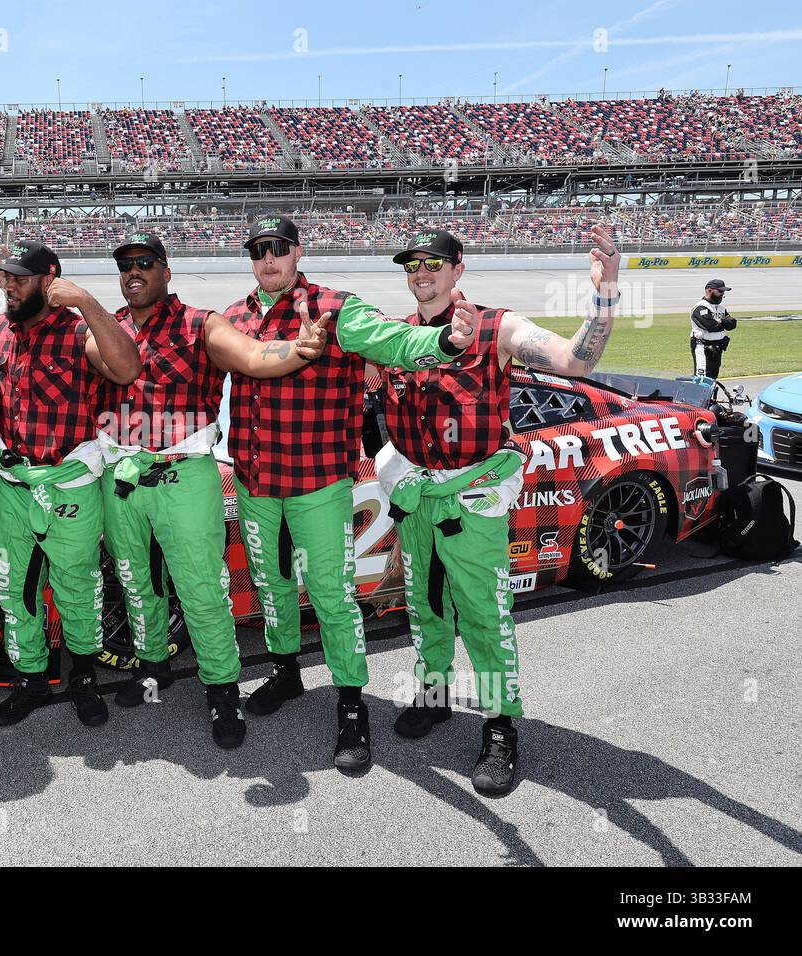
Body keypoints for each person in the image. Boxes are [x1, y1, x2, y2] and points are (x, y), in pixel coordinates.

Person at [222, 213, 475, 774]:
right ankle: (286, 672)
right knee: (272, 584)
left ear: (297, 251)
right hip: (256, 482)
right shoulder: (236, 316)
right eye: (259, 250)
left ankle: (351, 704)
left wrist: (443, 340)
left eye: (279, 248)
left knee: (332, 597)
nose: (269, 260)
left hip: (318, 484)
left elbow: (394, 340)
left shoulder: (336, 308)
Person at [380, 225, 619, 797]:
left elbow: (574, 361)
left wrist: (605, 295)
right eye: (412, 264)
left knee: (484, 617)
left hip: (475, 497)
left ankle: (500, 727)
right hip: (416, 496)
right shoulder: (397, 338)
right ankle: (434, 696)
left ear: (459, 268)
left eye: (433, 263)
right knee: (425, 605)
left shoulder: (498, 326)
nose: (421, 273)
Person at [92, 231, 329, 748]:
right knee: (136, 582)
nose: (135, 272)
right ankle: (153, 667)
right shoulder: (109, 325)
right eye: (125, 264)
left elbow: (251, 356)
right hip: (123, 477)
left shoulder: (201, 323)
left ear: (166, 270)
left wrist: (297, 350)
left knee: (201, 591)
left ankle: (222, 689)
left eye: (146, 262)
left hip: (183, 475)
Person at [0, 240, 141, 728]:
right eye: (5, 278)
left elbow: (128, 367)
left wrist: (89, 304)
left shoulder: (79, 332)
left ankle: (85, 677)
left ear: (50, 281)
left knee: (77, 584)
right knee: (15, 589)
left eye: (20, 279)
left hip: (69, 484)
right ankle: (31, 679)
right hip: (13, 480)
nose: (9, 286)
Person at [690, 278, 736, 379]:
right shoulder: (700, 307)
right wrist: (722, 322)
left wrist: (720, 322)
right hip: (703, 348)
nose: (722, 294)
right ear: (709, 290)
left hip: (718, 348)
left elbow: (732, 324)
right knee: (701, 379)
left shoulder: (721, 308)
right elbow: (709, 325)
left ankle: (711, 395)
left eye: (723, 292)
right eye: (720, 291)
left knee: (713, 378)